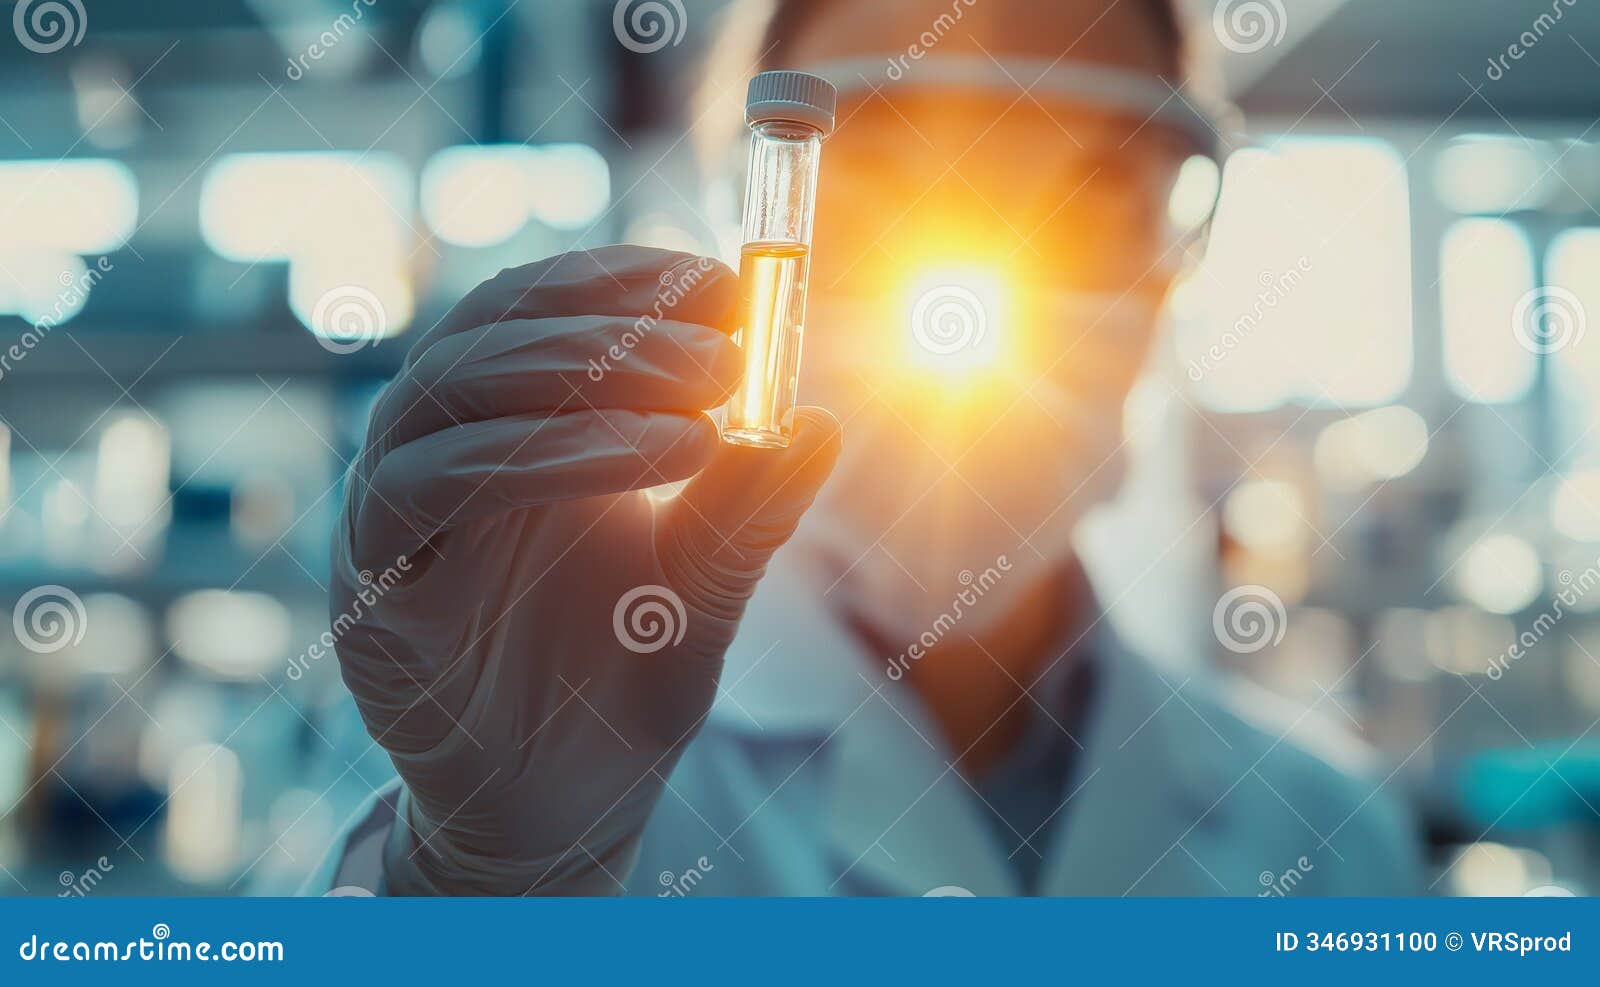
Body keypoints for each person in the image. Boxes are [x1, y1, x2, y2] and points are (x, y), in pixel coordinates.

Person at [310, 0, 1421, 896]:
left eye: (1086, 192)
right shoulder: (491, 767)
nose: (994, 272)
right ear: (759, 220)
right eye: (887, 182)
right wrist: (480, 891)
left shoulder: (1327, 838)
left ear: (1174, 257)